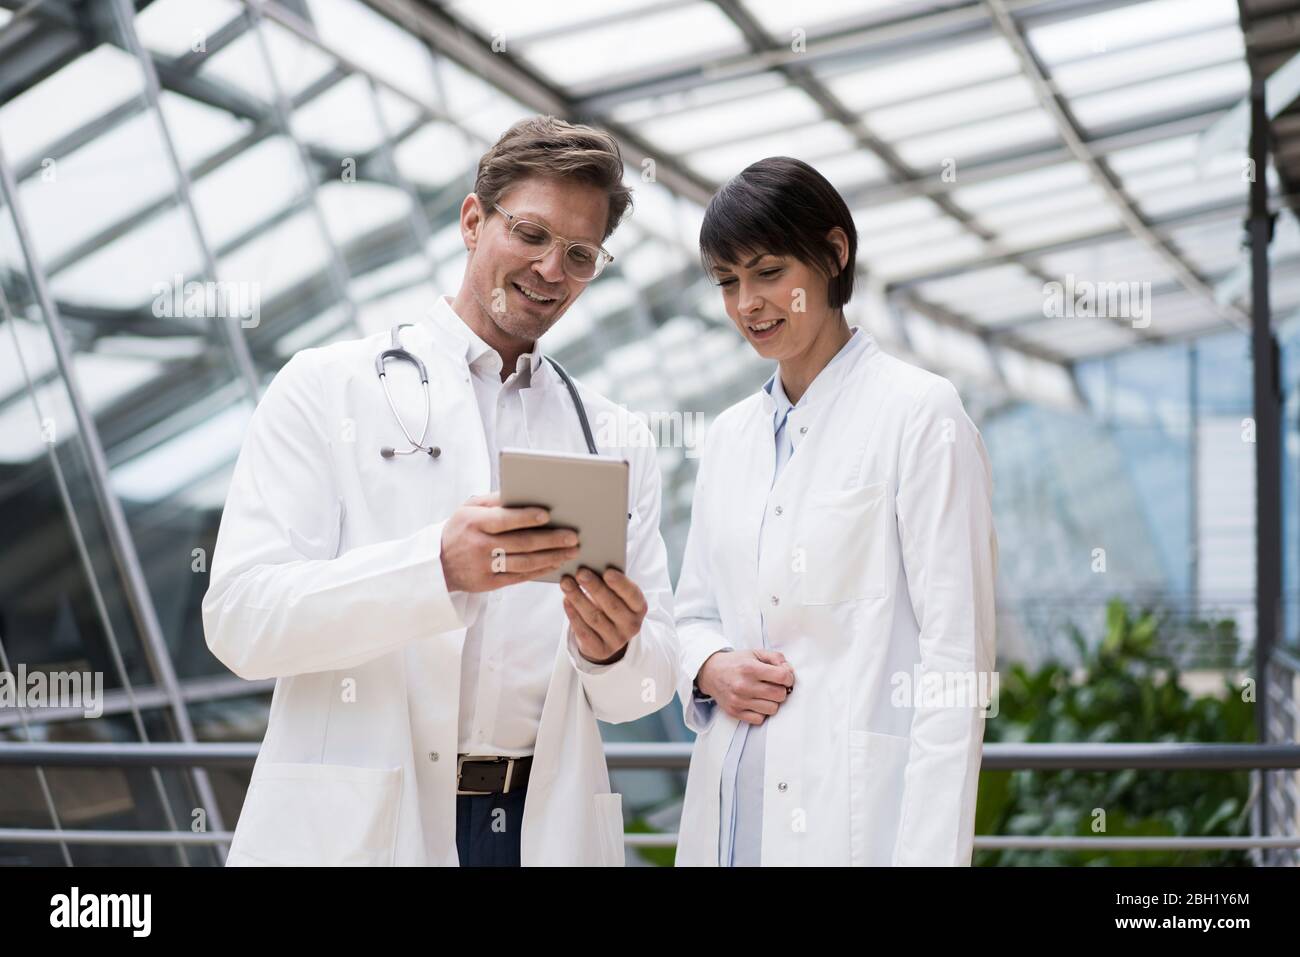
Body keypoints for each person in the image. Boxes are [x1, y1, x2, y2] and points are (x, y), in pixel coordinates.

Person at [202, 116, 677, 867]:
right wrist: (435, 568)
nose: (552, 269)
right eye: (530, 234)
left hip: (536, 830)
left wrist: (613, 648)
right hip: (367, 826)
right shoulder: (326, 388)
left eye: (580, 254)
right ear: (471, 220)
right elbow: (239, 620)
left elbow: (645, 689)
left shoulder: (614, 439)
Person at [673, 157, 998, 867]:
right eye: (727, 282)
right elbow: (690, 614)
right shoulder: (728, 438)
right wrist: (709, 664)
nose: (747, 304)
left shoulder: (919, 415)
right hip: (729, 824)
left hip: (852, 830)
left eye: (766, 272)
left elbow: (955, 666)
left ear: (834, 253)